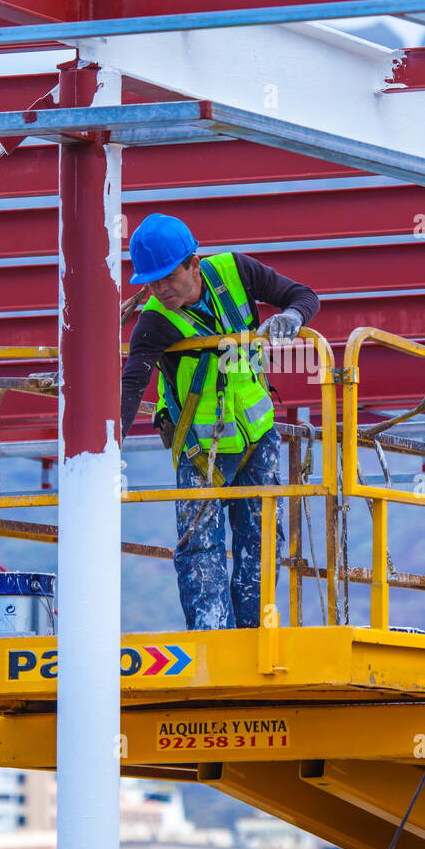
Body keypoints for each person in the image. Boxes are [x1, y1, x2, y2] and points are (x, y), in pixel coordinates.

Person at [120, 212, 320, 631]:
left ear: (194, 263)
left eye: (167, 278)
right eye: (150, 282)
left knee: (261, 540)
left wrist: (294, 318)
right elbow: (130, 388)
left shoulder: (236, 271)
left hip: (257, 438)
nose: (158, 290)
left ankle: (253, 637)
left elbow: (303, 295)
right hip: (199, 451)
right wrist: (105, 455)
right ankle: (212, 640)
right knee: (200, 548)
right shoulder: (154, 322)